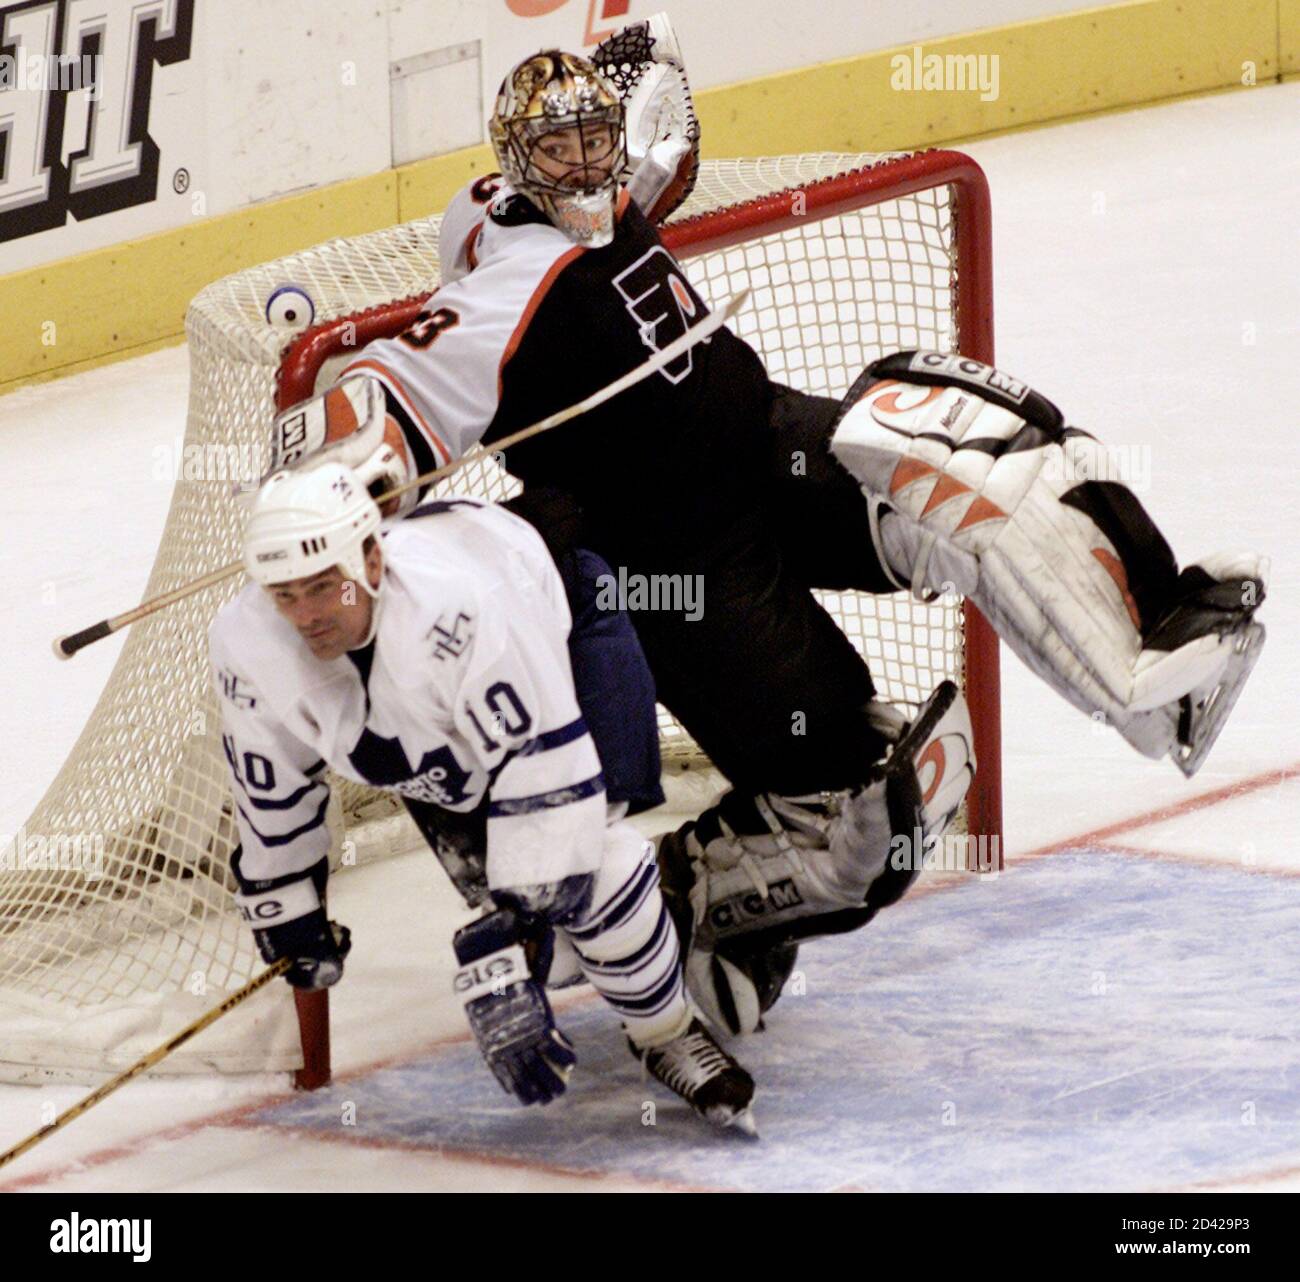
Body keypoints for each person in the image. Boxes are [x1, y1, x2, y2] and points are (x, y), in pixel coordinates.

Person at [261, 19, 1266, 1035]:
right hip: (688, 564)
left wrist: (638, 64)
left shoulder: (607, 198)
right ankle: (693, 911)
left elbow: (666, 135)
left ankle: (1149, 678)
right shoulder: (496, 290)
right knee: (863, 812)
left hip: (768, 444)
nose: (586, 162)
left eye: (595, 137)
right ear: (515, 165)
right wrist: (331, 491)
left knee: (978, 453)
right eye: (558, 149)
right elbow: (379, 393)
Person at [210, 450, 757, 1132]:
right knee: (562, 957)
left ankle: (668, 1032)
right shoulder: (250, 645)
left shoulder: (454, 612)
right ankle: (674, 917)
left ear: (371, 564)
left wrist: (511, 936)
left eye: (325, 587)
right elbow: (270, 791)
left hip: (565, 633)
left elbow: (545, 776)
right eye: (284, 593)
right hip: (440, 735)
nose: (306, 614)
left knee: (601, 876)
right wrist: (286, 907)